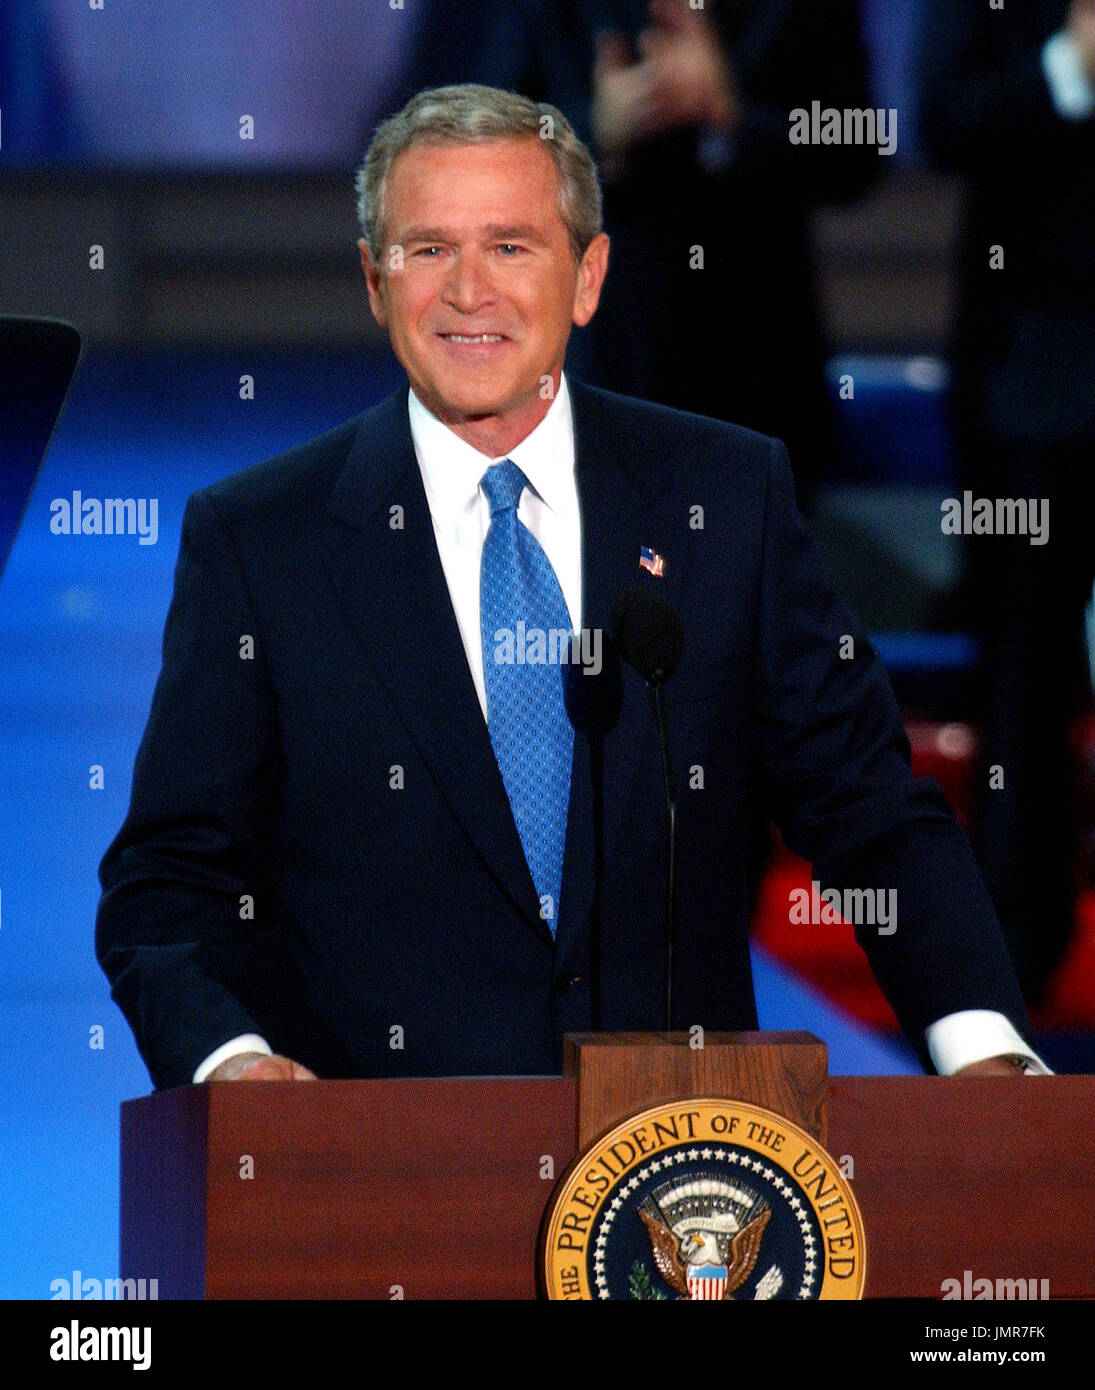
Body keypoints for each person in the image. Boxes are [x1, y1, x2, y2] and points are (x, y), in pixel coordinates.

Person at [96, 84, 1045, 1088]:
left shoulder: (724, 498)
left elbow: (871, 811)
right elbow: (170, 878)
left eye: (510, 246)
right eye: (429, 249)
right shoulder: (261, 540)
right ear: (375, 281)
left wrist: (980, 1044)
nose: (469, 291)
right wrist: (234, 1067)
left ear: (588, 277)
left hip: (682, 1155)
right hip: (382, 1162)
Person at [918, 0, 1095, 1001]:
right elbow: (943, 117)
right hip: (1032, 382)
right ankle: (1006, 988)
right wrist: (1071, 64)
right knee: (1024, 677)